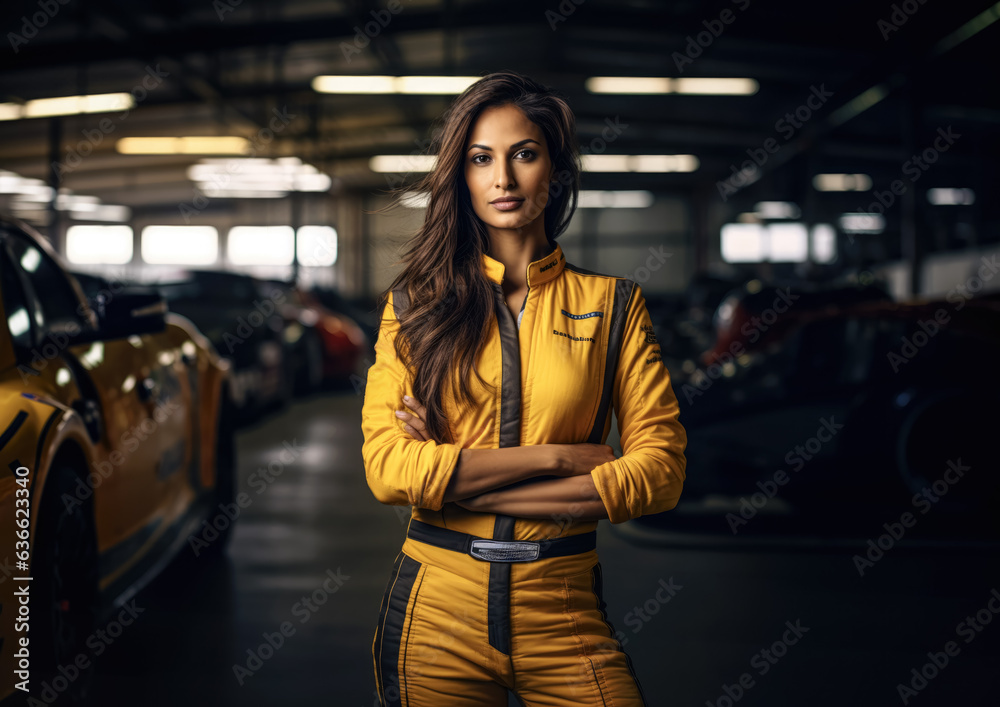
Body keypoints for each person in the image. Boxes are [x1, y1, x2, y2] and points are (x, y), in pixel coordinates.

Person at [360, 70, 687, 707]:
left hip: (563, 611)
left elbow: (661, 472)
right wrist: (559, 457)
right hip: (434, 615)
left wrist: (455, 478)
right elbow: (388, 469)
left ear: (555, 171)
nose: (503, 179)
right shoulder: (413, 309)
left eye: (524, 154)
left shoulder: (614, 305)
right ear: (462, 176)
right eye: (481, 159)